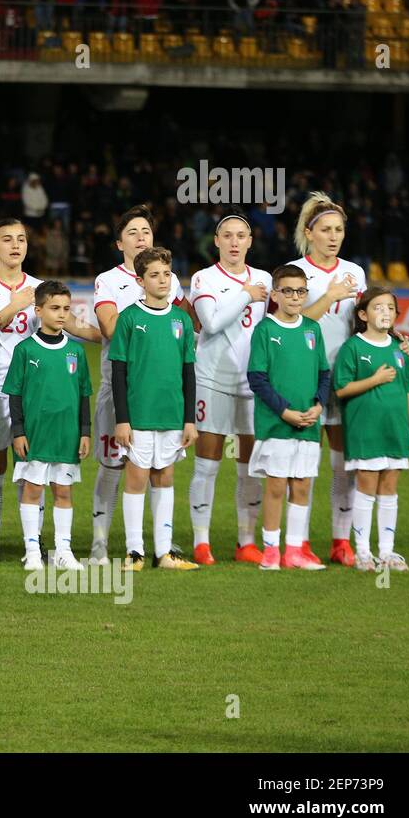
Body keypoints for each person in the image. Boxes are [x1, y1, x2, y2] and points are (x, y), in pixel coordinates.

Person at [0, 216, 98, 563]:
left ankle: (34, 542)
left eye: (21, 239)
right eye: (7, 239)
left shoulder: (40, 287)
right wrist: (14, 304)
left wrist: (106, 335)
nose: (15, 245)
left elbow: (71, 323)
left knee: (35, 465)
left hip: (32, 392)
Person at [90, 205, 192, 563]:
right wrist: (143, 312)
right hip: (119, 387)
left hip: (160, 394)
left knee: (160, 468)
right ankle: (101, 543)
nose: (140, 237)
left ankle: (161, 545)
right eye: (132, 232)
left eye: (145, 232)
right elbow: (110, 328)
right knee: (113, 466)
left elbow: (184, 324)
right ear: (120, 243)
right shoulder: (108, 280)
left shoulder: (167, 280)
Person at [289, 192, 386, 567]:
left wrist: (391, 339)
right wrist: (327, 296)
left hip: (347, 377)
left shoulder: (356, 273)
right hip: (307, 376)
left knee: (345, 463)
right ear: (309, 232)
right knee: (304, 465)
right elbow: (293, 322)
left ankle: (342, 542)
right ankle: (299, 542)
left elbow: (361, 321)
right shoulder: (295, 273)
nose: (333, 236)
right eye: (326, 229)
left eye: (339, 230)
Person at [186, 213, 273, 565]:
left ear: (250, 241)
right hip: (212, 380)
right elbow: (212, 322)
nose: (235, 242)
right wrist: (246, 295)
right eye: (228, 235)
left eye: (241, 235)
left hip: (253, 384)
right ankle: (201, 542)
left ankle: (246, 542)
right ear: (217, 241)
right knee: (208, 463)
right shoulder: (203, 278)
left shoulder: (265, 278)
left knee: (249, 466)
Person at [109, 247, 200, 571]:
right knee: (136, 478)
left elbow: (188, 372)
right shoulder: (130, 319)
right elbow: (118, 372)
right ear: (140, 280)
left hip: (172, 415)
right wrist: (123, 420)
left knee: (165, 477)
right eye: (154, 275)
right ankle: (135, 552)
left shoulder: (181, 321)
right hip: (139, 416)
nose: (162, 280)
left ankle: (164, 552)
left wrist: (189, 420)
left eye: (166, 274)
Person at [245, 265, 331, 571]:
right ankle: (271, 550)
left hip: (308, 422)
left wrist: (320, 404)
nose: (295, 297)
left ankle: (294, 550)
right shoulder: (265, 330)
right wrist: (284, 410)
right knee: (277, 486)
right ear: (276, 295)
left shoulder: (312, 329)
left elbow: (324, 372)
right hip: (277, 423)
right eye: (288, 291)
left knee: (303, 485)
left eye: (301, 291)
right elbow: (257, 378)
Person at [2, 280, 92, 572]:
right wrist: (18, 431)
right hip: (35, 434)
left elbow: (83, 395)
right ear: (38, 310)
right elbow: (14, 393)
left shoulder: (76, 353)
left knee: (63, 492)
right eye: (54, 308)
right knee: (32, 490)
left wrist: (85, 432)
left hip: (66, 434)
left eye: (66, 308)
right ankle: (31, 550)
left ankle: (63, 550)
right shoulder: (26, 350)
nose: (62, 314)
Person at [335, 287, 409, 572]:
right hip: (365, 429)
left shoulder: (399, 350)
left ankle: (387, 552)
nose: (385, 312)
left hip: (395, 430)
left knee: (390, 488)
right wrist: (376, 379)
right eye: (378, 307)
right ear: (362, 314)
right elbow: (342, 389)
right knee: (367, 485)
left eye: (390, 308)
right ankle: (362, 552)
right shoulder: (353, 348)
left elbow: (407, 391)